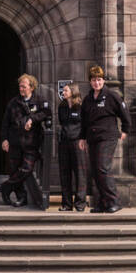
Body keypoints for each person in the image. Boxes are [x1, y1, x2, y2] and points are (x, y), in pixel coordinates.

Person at [78, 64, 129, 213]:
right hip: (92, 137)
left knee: (103, 168)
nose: (97, 83)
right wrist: (82, 138)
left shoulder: (112, 96)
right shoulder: (87, 99)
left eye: (99, 80)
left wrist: (125, 129)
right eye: (94, 80)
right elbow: (84, 121)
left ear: (103, 80)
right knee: (95, 170)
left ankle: (114, 201)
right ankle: (102, 202)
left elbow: (124, 112)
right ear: (90, 82)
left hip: (108, 136)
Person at [0, 73, 50, 211]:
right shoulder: (13, 102)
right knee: (15, 170)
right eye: (20, 86)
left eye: (24, 87)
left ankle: (5, 187)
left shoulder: (39, 100)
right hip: (15, 142)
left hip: (31, 143)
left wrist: (33, 119)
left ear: (31, 87)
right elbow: (5, 123)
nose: (21, 89)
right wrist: (4, 139)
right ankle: (22, 197)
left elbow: (47, 112)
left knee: (26, 169)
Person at [57, 82, 89, 211]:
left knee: (80, 174)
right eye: (63, 91)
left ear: (73, 92)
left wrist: (83, 139)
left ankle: (80, 203)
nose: (63, 93)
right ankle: (66, 204)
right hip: (64, 142)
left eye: (65, 91)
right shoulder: (62, 107)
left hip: (77, 143)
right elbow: (61, 122)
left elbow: (85, 124)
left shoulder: (81, 107)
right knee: (65, 173)